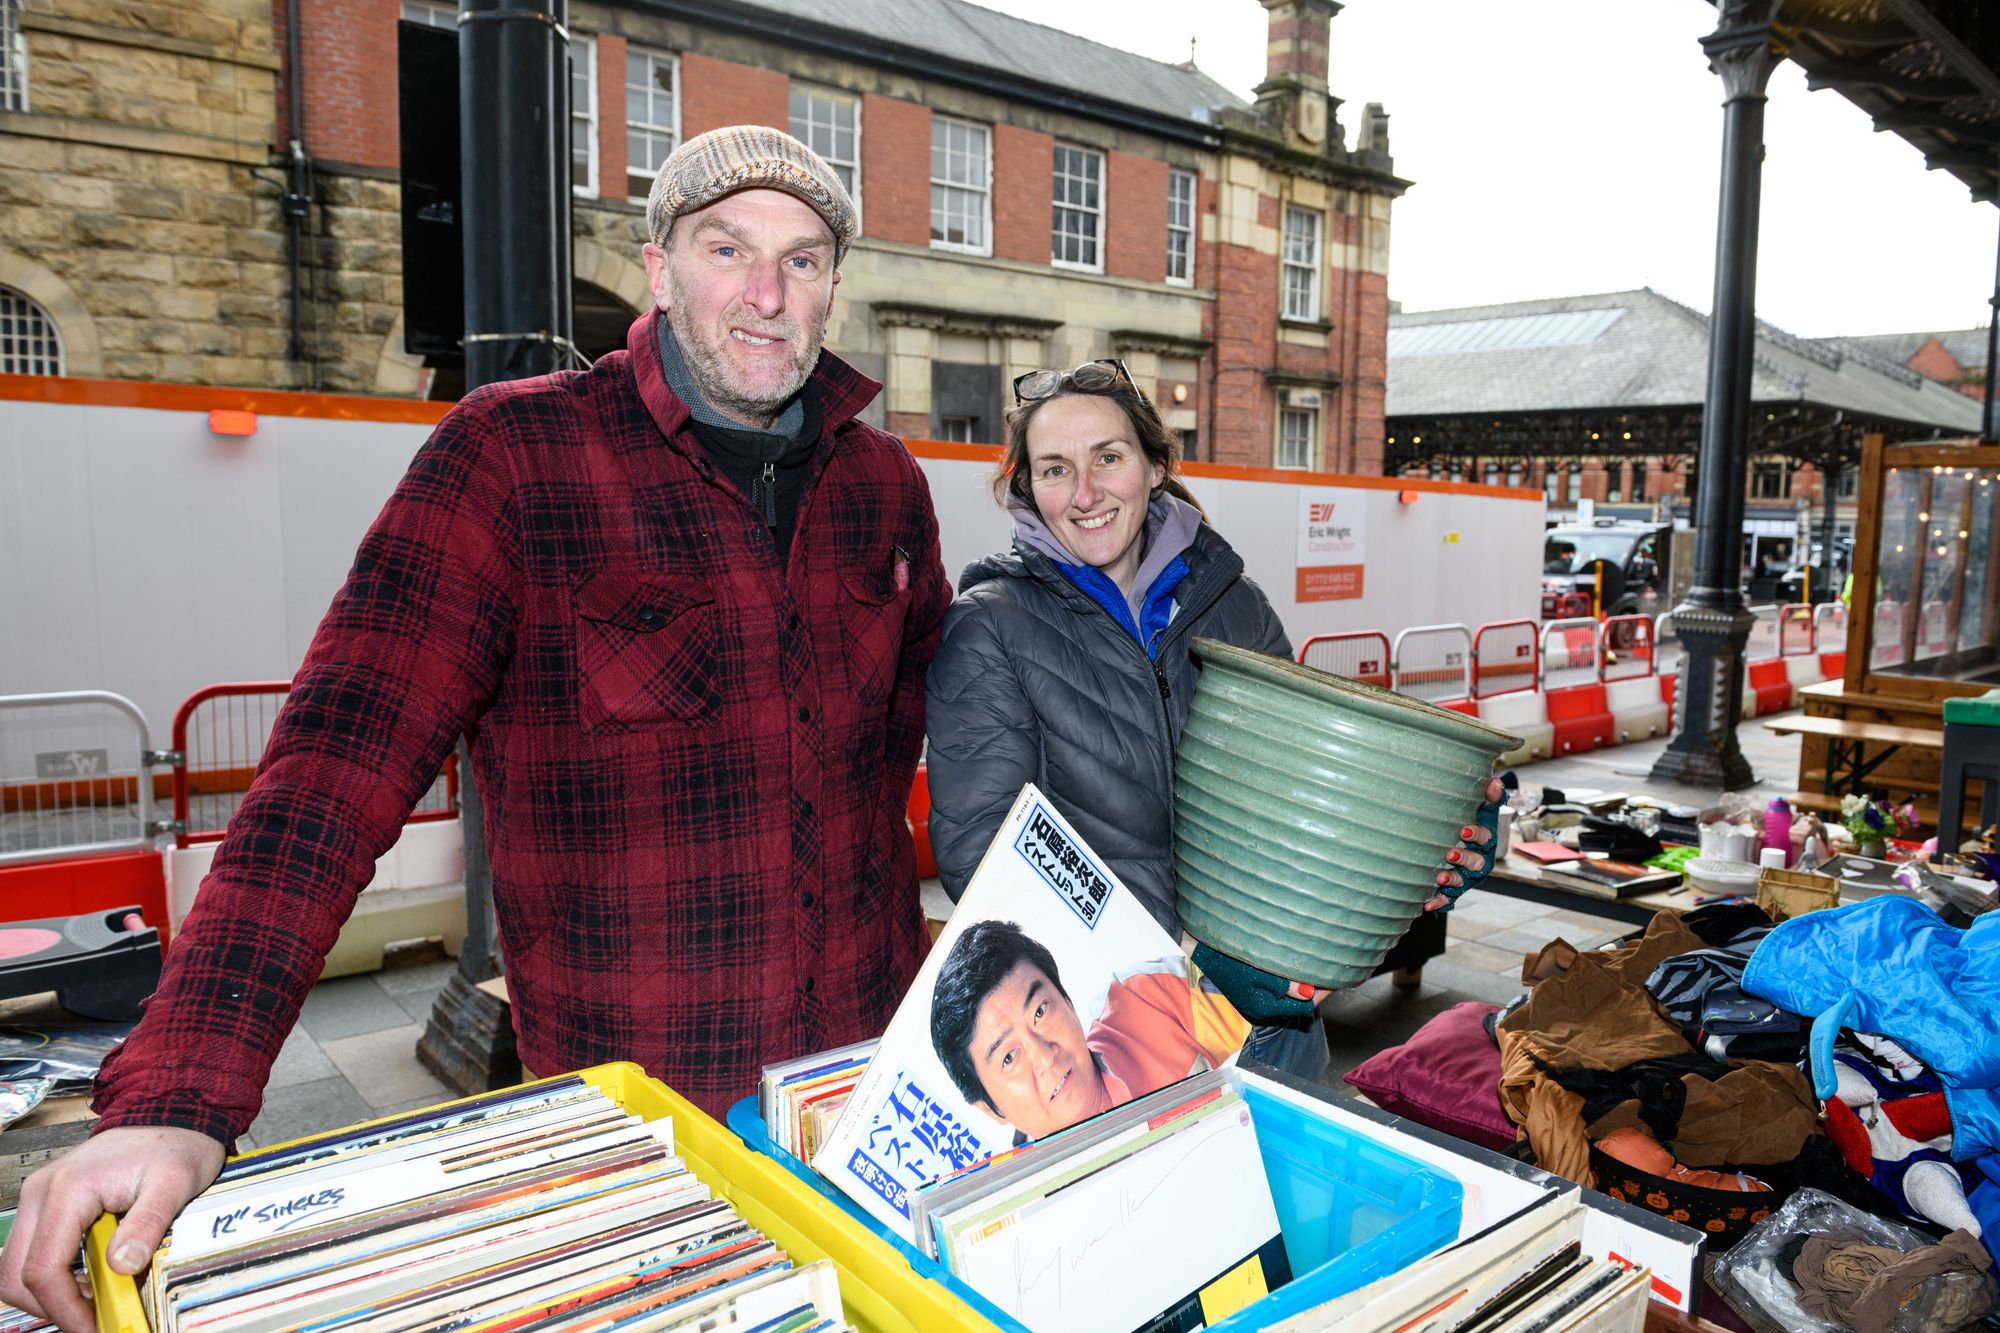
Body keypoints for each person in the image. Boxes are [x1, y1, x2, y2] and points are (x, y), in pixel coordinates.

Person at [0, 126, 950, 1331]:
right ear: (659, 269)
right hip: (644, 1136)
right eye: (729, 248)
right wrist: (178, 1092)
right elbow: (328, 773)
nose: (767, 294)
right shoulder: (512, 457)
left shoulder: (885, 489)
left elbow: (918, 754)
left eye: (804, 259)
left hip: (863, 1105)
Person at [923, 360, 1499, 1084]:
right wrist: (1197, 967)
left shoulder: (1233, 603)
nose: (1086, 492)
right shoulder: (991, 630)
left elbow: (1304, 790)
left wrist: (1421, 831)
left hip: (1274, 1034)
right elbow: (984, 863)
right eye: (1055, 469)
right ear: (1027, 490)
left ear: (1156, 465)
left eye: (1109, 457)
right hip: (1126, 1047)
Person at [930, 920, 1251, 1142]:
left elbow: (1281, 1027)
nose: (1044, 1057)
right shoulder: (1021, 1225)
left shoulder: (1147, 996)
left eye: (1040, 1011)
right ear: (991, 1108)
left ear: (1067, 1001)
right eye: (1009, 1057)